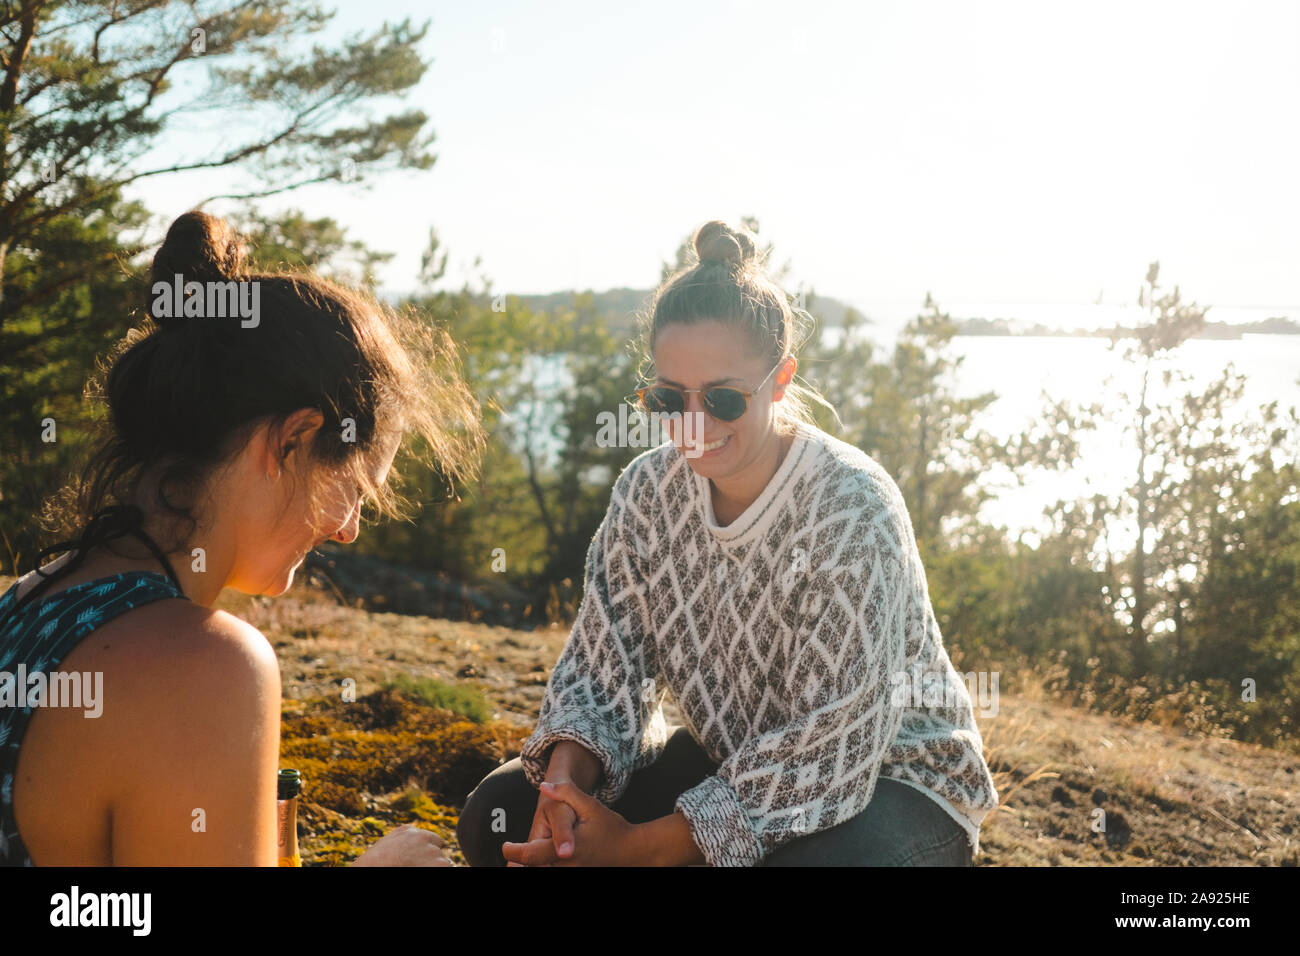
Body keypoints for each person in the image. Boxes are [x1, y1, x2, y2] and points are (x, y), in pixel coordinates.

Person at [457, 219, 999, 866]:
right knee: (498, 821)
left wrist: (637, 848)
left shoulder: (853, 508)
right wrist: (565, 789)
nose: (693, 424)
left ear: (782, 379)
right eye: (669, 397)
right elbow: (603, 670)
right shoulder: (646, 493)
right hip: (734, 760)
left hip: (895, 785)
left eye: (722, 399)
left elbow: (832, 752)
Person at [0, 211, 482, 866]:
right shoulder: (204, 669)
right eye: (359, 487)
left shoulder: (33, 601)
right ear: (291, 440)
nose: (347, 529)